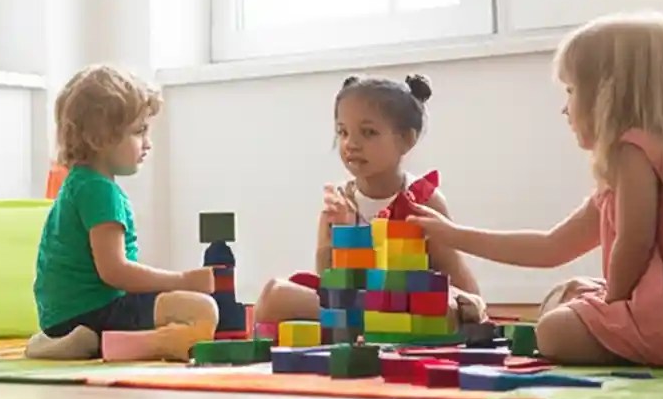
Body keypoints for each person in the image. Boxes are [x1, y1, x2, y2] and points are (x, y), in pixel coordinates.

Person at [410, 12, 663, 366]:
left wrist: (613, 304)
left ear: (607, 94)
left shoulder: (632, 153)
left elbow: (634, 243)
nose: (565, 109)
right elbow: (550, 247)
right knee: (567, 292)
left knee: (553, 330)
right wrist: (452, 234)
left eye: (571, 90)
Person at [254, 74, 486, 328]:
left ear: (406, 140)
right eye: (343, 132)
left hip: (407, 305)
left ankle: (376, 323)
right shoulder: (341, 200)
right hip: (355, 306)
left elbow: (464, 288)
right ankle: (370, 323)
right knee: (273, 295)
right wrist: (341, 235)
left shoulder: (424, 200)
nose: (351, 144)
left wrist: (465, 304)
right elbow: (328, 282)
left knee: (451, 308)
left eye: (368, 133)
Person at [26, 65, 217, 361]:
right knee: (203, 309)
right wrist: (181, 279)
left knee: (173, 305)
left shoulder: (78, 182)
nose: (148, 143)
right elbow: (115, 271)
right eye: (139, 131)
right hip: (94, 312)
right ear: (100, 137)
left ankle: (73, 342)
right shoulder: (101, 191)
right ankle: (136, 345)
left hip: (59, 318)